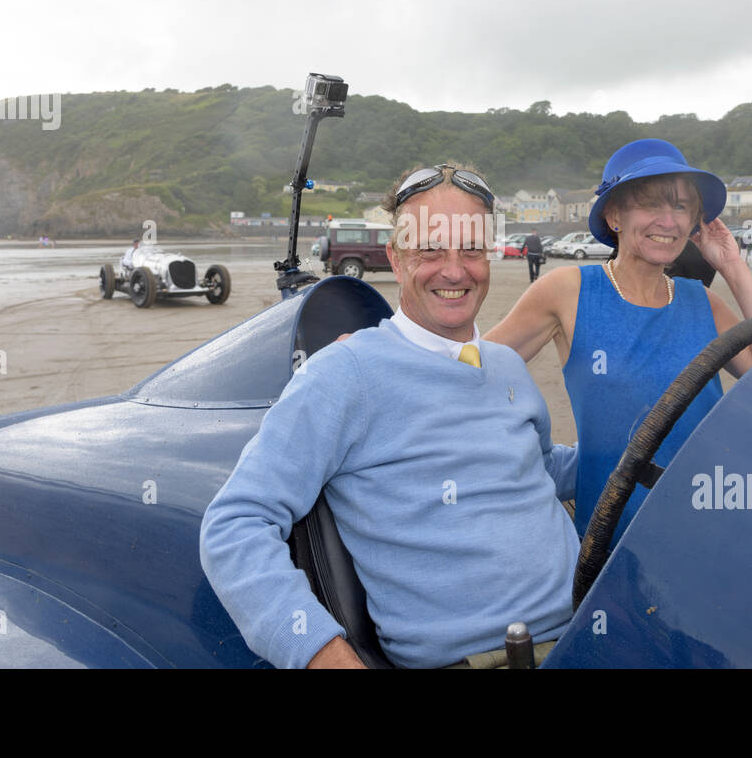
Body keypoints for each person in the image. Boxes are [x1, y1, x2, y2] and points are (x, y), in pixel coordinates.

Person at [199, 163, 577, 669]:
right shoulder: (346, 372)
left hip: (594, 628)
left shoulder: (506, 364)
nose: (454, 270)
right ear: (396, 261)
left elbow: (542, 468)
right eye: (430, 250)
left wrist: (638, 454)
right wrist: (320, 652)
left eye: (469, 249)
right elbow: (234, 523)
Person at [484, 139, 752, 544]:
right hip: (613, 537)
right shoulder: (569, 291)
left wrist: (732, 266)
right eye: (650, 204)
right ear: (614, 215)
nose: (669, 221)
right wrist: (545, 463)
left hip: (710, 526)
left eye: (681, 207)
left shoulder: (702, 301)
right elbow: (474, 372)